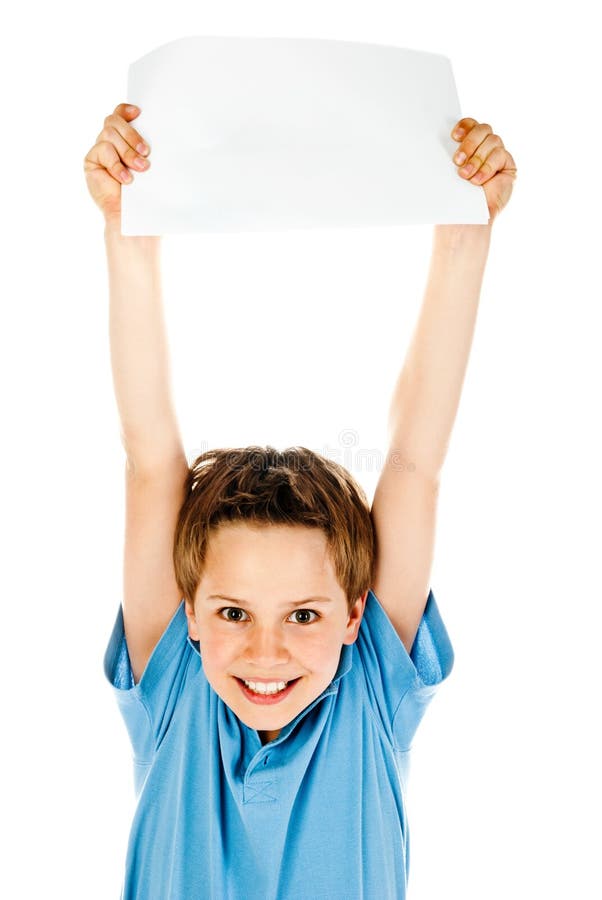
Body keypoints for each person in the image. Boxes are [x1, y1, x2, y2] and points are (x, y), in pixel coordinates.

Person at [83, 102, 517, 899]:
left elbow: (416, 461)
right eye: (233, 612)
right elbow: (151, 461)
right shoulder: (175, 685)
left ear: (357, 614)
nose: (266, 652)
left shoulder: (370, 694)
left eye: (306, 615)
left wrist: (466, 234)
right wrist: (127, 228)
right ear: (187, 612)